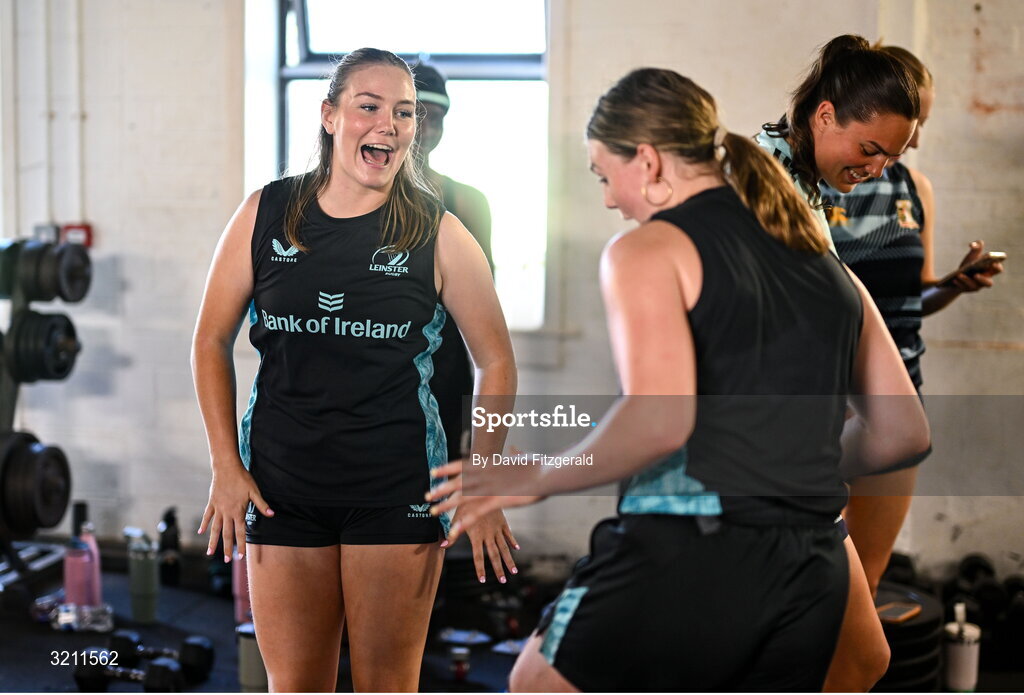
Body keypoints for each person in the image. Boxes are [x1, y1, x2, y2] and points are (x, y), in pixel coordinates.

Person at [426, 67, 930, 692]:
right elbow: (904, 433)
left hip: (691, 544)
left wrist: (539, 476)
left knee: (535, 683)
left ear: (647, 161)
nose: (609, 200)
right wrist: (794, 466)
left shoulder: (649, 249)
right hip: (814, 563)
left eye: (604, 176)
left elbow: (660, 420)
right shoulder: (825, 261)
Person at [190, 48, 517, 692]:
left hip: (396, 486)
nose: (389, 124)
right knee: (295, 685)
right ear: (330, 116)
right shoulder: (265, 213)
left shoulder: (439, 231)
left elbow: (496, 359)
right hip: (280, 484)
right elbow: (210, 339)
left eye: (404, 112)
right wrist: (225, 465)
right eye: (369, 106)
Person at [756, 34, 926, 691]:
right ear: (824, 115)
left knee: (857, 656)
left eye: (892, 156)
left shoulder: (801, 182)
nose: (878, 169)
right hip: (765, 460)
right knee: (844, 654)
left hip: (803, 448)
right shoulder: (761, 180)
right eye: (870, 149)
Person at [412, 62, 494, 462]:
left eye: (437, 119)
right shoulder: (356, 204)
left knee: (444, 485)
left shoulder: (467, 202)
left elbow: (484, 311)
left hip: (444, 370)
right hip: (373, 373)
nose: (427, 129)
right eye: (417, 116)